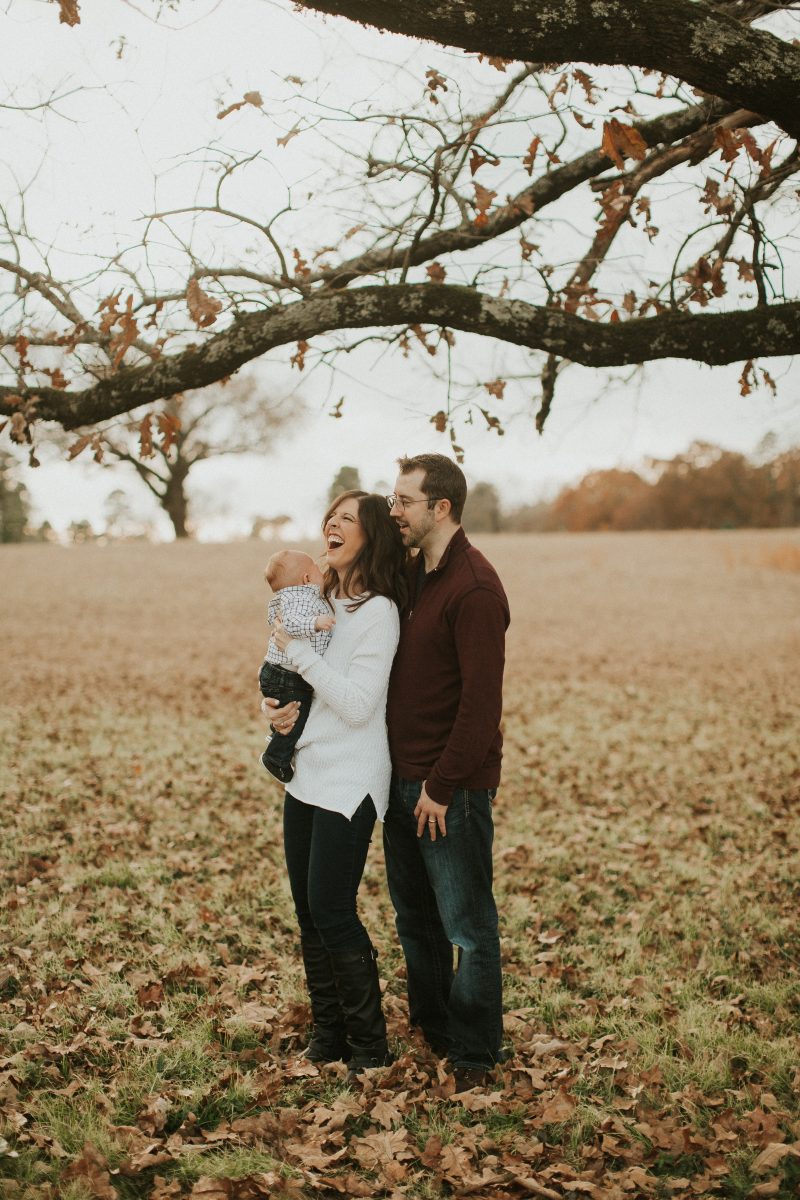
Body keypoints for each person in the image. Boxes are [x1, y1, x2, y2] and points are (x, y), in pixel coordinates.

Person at [264, 491, 407, 1076]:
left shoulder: (379, 611)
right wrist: (275, 709)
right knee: (305, 909)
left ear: (370, 537)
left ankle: (370, 1048)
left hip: (351, 778)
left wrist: (298, 655)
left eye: (347, 519)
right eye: (331, 516)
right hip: (307, 772)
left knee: (332, 909)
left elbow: (355, 704)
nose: (332, 525)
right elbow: (282, 663)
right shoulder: (315, 598)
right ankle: (328, 1036)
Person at [384, 453, 510, 1091]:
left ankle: (476, 1054)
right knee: (416, 920)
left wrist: (438, 786)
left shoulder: (474, 588)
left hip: (448, 791)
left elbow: (481, 707)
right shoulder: (415, 576)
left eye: (403, 501)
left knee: (467, 925)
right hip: (398, 782)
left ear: (441, 508)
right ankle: (434, 1029)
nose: (393, 510)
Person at [258, 549, 334, 784]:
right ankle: (276, 757)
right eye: (317, 570)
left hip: (281, 673)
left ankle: (276, 740)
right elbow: (290, 624)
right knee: (296, 717)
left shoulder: (299, 595)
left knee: (292, 714)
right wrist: (315, 623)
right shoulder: (301, 597)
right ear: (307, 579)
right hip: (286, 676)